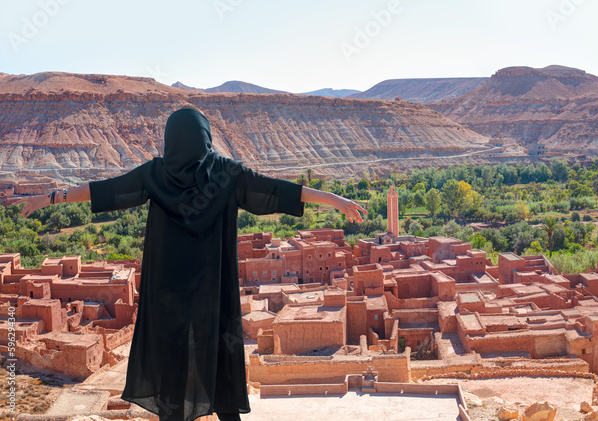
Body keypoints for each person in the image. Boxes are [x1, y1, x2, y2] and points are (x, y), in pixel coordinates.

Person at [10, 107, 367, 421]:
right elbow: (279, 190)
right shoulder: (227, 174)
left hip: (168, 292)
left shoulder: (155, 174)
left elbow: (106, 189)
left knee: (172, 362)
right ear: (205, 137)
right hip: (212, 292)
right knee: (221, 355)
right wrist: (335, 200)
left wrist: (52, 198)